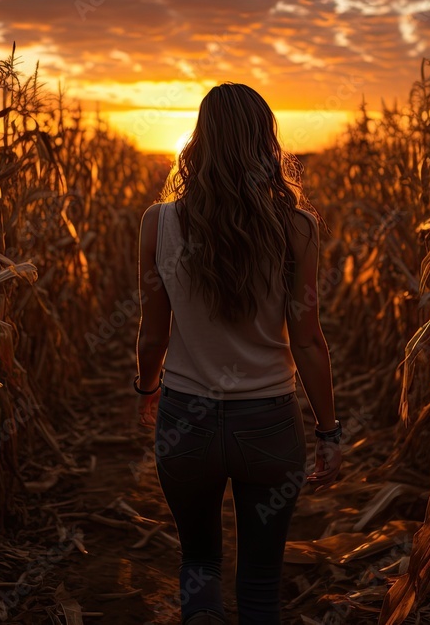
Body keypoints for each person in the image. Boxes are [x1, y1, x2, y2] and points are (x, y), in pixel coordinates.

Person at [133, 82, 341, 625]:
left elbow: (153, 333)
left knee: (198, 561)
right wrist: (328, 432)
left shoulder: (159, 223)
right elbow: (309, 338)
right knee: (260, 581)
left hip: (186, 423)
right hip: (269, 424)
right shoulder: (296, 226)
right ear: (264, 142)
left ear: (198, 141)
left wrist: (147, 389)